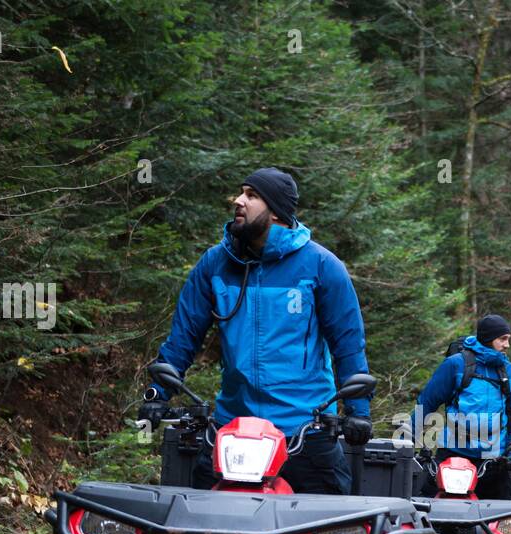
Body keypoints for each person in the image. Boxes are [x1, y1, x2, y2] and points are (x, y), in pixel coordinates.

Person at [138, 167, 373, 493]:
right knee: (197, 528)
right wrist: (157, 393)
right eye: (241, 192)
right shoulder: (214, 264)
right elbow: (184, 335)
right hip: (232, 428)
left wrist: (358, 412)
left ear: (276, 211)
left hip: (305, 431)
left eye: (251, 195)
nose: (238, 200)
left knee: (334, 531)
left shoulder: (321, 266)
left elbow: (347, 344)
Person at [413, 314, 511, 500]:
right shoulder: (455, 364)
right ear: (489, 338)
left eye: (508, 339)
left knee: (508, 518)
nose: (507, 345)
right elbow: (427, 402)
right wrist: (407, 440)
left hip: (493, 459)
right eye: (502, 339)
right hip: (453, 453)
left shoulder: (509, 371)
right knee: (426, 509)